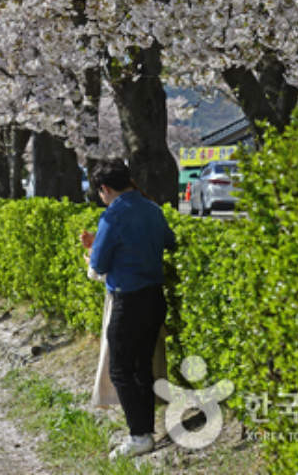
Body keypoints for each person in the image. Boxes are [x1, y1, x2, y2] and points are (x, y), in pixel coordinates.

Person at [84, 159, 177, 460]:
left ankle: (139, 435)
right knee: (141, 367)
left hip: (127, 301)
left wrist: (93, 249)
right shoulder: (152, 209)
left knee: (120, 369)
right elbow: (169, 242)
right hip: (154, 298)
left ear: (105, 189)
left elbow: (99, 264)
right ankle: (145, 432)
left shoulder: (112, 216)